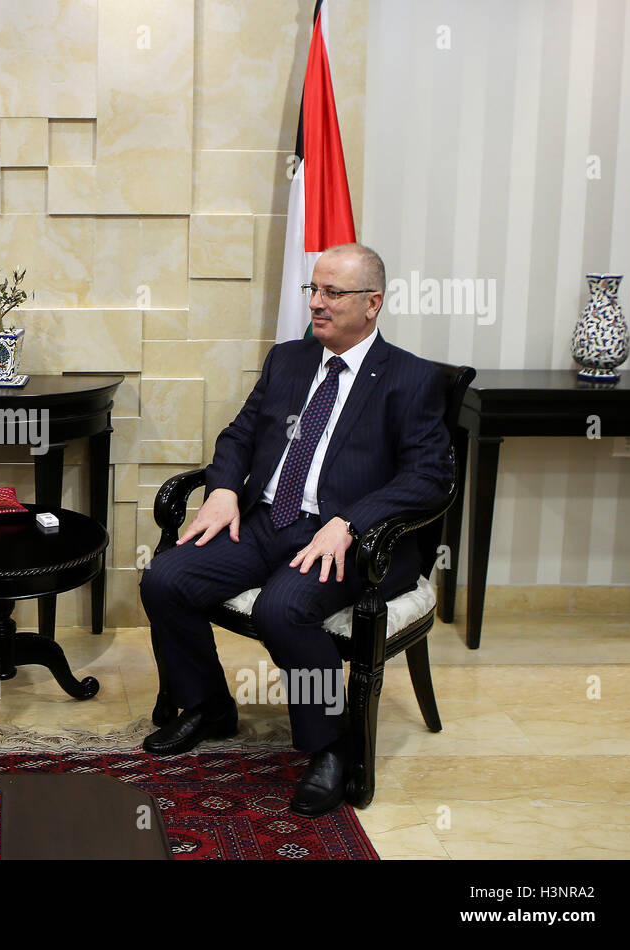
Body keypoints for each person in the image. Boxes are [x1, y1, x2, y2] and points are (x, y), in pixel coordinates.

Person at [140, 243, 452, 817]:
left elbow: (431, 478)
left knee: (281, 610)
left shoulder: (411, 379)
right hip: (267, 519)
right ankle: (208, 705)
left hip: (348, 540)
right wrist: (227, 488)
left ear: (373, 303)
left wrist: (351, 522)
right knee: (165, 577)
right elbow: (237, 435)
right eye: (314, 290)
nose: (318, 303)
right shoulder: (288, 360)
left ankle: (330, 747)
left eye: (334, 292)